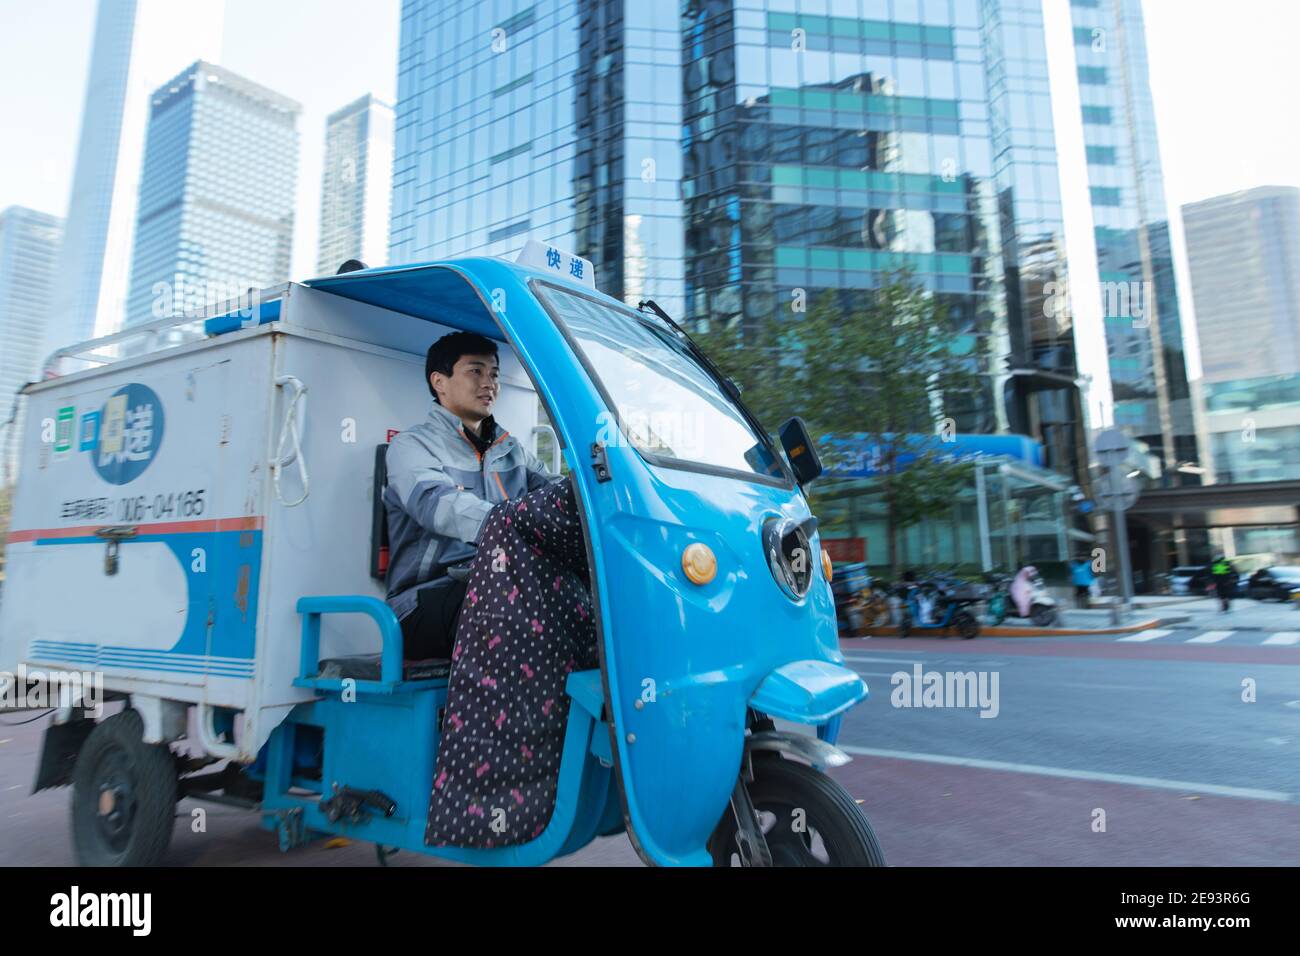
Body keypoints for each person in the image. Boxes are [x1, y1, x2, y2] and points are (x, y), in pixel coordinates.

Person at [383, 331, 558, 660]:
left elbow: (557, 495)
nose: (488, 383)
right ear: (440, 381)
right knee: (512, 604)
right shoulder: (411, 447)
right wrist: (511, 525)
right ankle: (506, 711)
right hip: (422, 601)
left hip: (502, 581)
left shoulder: (512, 450)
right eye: (475, 371)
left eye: (493, 374)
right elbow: (438, 505)